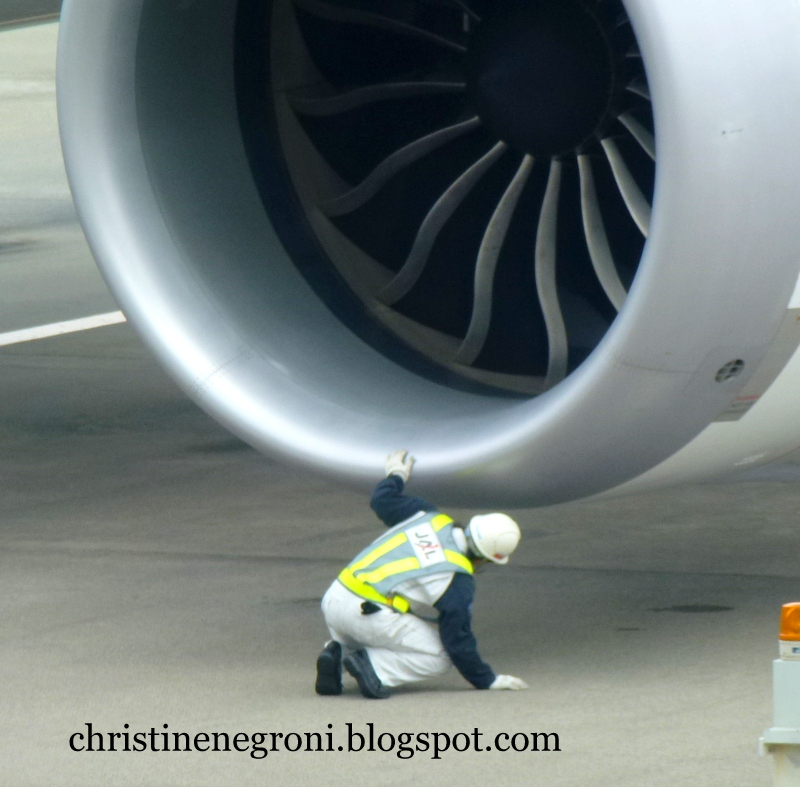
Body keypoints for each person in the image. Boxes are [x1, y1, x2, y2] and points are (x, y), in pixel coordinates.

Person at [315, 449, 529, 699]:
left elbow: (382, 500)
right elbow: (457, 642)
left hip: (334, 597)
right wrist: (487, 679)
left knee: (380, 629)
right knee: (440, 656)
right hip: (365, 614)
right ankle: (374, 668)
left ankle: (338, 656)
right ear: (485, 557)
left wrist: (396, 474)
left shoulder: (427, 516)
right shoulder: (457, 579)